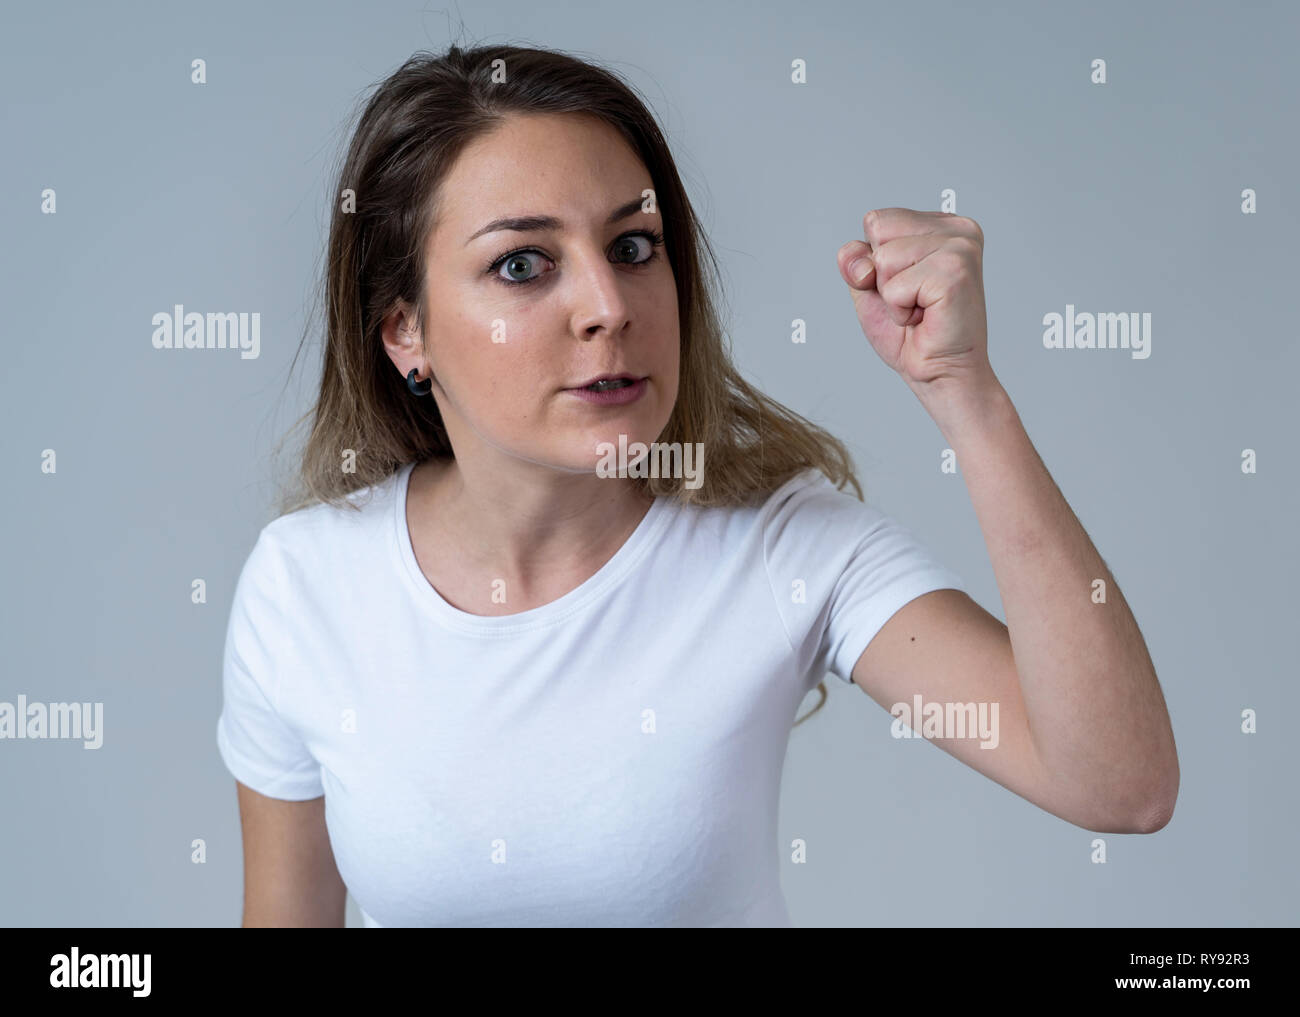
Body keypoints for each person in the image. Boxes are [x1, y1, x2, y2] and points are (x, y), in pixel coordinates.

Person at [216, 43, 1179, 928]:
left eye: (634, 246)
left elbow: (1118, 784)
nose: (608, 306)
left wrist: (966, 393)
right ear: (404, 332)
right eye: (522, 264)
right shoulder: (307, 586)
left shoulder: (783, 547)